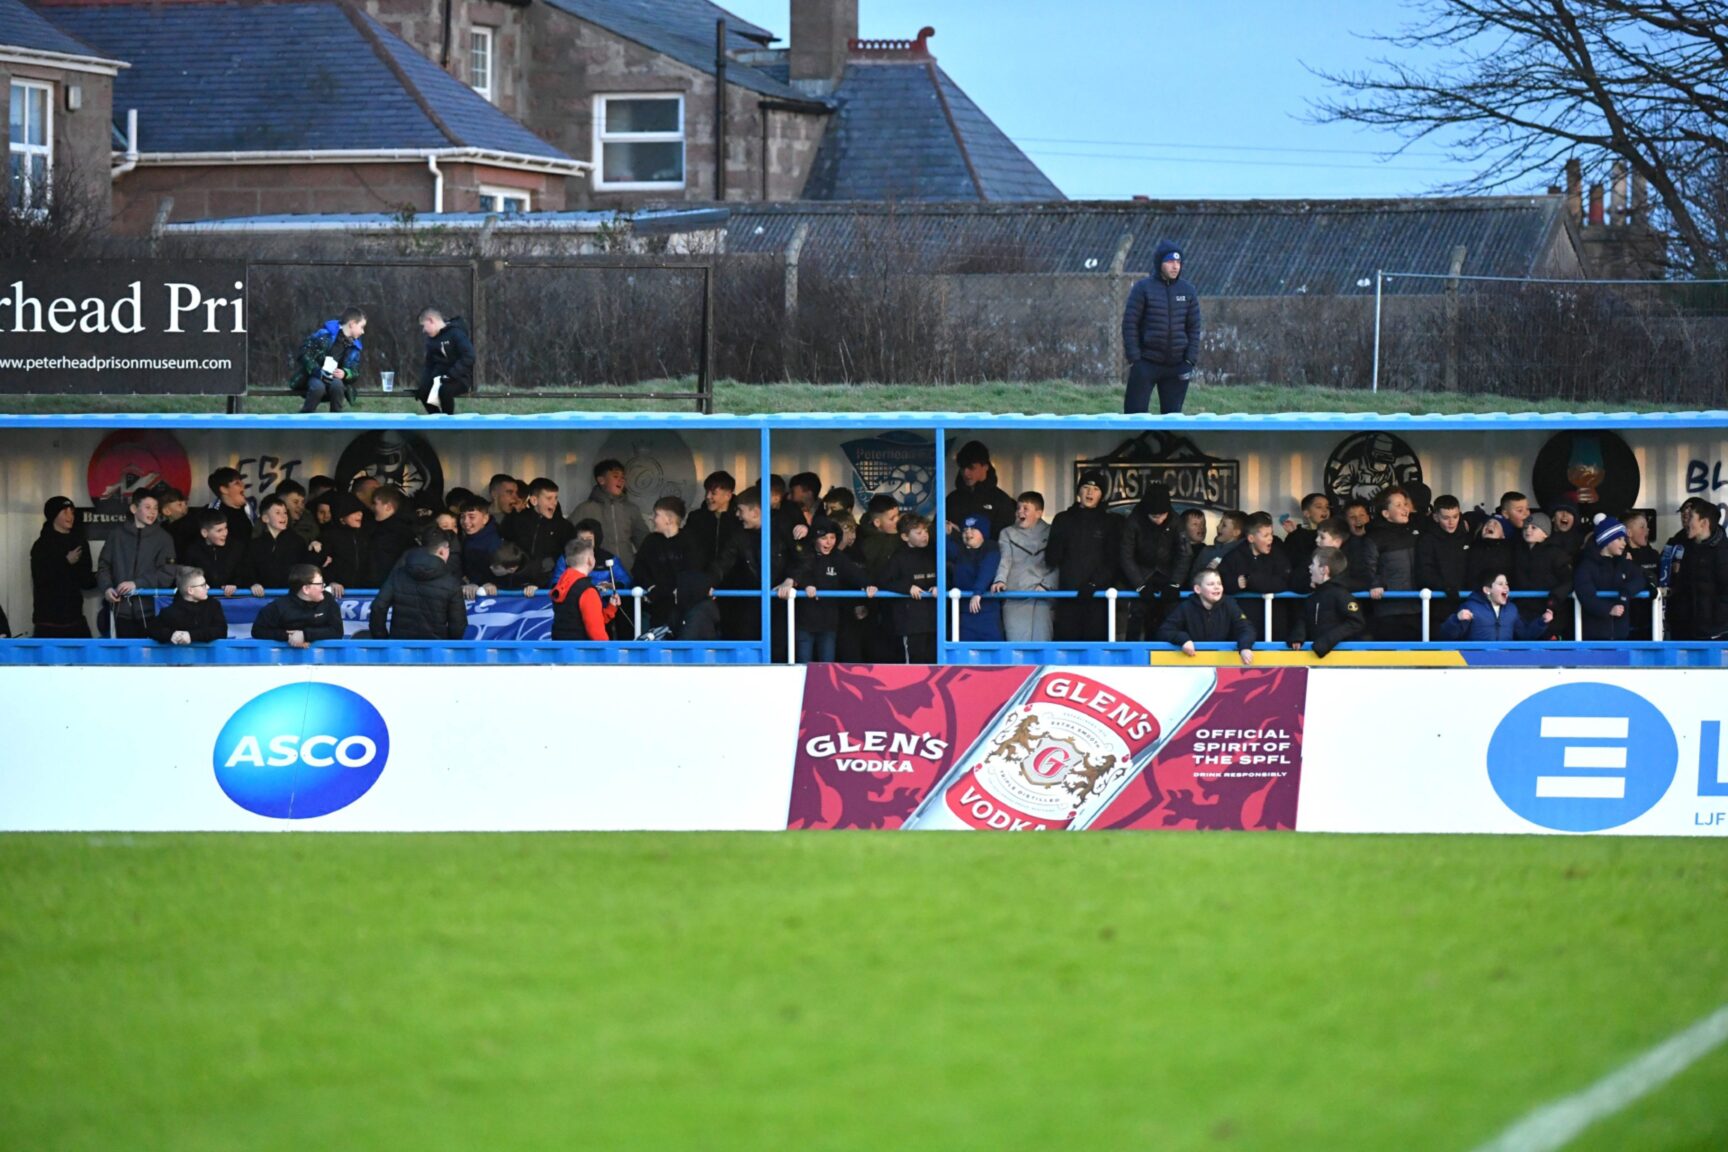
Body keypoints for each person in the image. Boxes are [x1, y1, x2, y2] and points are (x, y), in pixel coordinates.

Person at [1121, 240, 1202, 414]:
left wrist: (1189, 360)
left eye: (1178, 262)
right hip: (1146, 363)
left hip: (1177, 365)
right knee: (1135, 417)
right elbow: (1130, 324)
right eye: (1170, 262)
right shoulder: (1143, 289)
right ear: (1159, 263)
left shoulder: (1188, 291)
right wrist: (1135, 358)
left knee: (1172, 420)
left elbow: (1194, 328)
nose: (1175, 266)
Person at [779, 517, 873, 663]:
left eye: (832, 537)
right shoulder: (804, 554)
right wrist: (806, 586)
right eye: (823, 538)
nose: (829, 542)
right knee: (804, 664)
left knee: (827, 665)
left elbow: (855, 573)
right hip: (804, 622)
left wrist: (868, 585)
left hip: (828, 622)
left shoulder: (838, 557)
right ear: (814, 539)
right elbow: (797, 571)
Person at [1047, 470, 1119, 641]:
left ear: (1102, 494)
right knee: (1066, 649)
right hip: (1067, 597)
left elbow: (1113, 560)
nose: (1089, 492)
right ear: (1078, 491)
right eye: (1086, 487)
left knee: (1095, 649)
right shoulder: (1063, 519)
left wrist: (1094, 584)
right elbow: (1051, 558)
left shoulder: (1110, 522)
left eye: (1096, 489)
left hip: (1098, 598)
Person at [96, 488, 178, 638]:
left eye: (155, 508)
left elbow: (167, 574)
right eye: (147, 507)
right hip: (120, 610)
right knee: (122, 658)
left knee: (150, 659)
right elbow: (104, 566)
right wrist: (107, 588)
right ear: (134, 508)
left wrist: (137, 584)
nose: (152, 512)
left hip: (152, 611)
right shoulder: (116, 535)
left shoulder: (164, 538)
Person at [632, 496, 718, 639]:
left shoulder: (691, 541)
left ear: (669, 519)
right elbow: (639, 569)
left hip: (684, 610)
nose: (652, 519)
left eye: (656, 515)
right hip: (658, 610)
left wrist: (663, 591)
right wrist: (651, 587)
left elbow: (694, 573)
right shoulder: (650, 541)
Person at [1117, 482, 1191, 640]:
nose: (1158, 520)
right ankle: (1133, 657)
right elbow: (1126, 555)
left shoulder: (1175, 521)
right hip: (1141, 575)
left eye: (1162, 515)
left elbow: (1184, 554)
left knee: (1171, 616)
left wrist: (1175, 583)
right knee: (1137, 614)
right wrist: (1140, 585)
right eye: (1154, 516)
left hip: (1167, 576)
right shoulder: (1134, 521)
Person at [369, 530, 467, 640]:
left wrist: (382, 639)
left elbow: (378, 607)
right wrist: (447, 646)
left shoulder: (398, 575)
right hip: (436, 650)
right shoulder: (451, 583)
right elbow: (458, 625)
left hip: (399, 648)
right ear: (442, 551)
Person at [1155, 567, 1256, 664]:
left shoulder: (1229, 605)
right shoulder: (1186, 607)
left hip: (1222, 662)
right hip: (1192, 661)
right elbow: (1164, 631)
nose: (1217, 587)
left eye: (1219, 583)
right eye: (1211, 584)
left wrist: (1245, 647)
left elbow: (1246, 628)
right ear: (1198, 589)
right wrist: (1183, 640)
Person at [1571, 514, 1647, 642]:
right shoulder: (1587, 565)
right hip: (1594, 635)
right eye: (1620, 539)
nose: (1624, 543)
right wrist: (1607, 609)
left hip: (1620, 634)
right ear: (1606, 541)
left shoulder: (1623, 563)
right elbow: (1585, 594)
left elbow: (1640, 578)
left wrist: (1625, 592)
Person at [1220, 512, 1293, 641]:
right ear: (1251, 538)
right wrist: (1236, 583)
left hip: (1275, 624)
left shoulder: (1278, 555)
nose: (1270, 538)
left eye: (1271, 534)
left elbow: (1285, 581)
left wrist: (1250, 580)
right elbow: (1220, 582)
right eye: (1265, 535)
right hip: (1244, 625)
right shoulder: (1233, 557)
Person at [31, 496, 95, 638]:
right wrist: (65, 562)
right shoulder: (42, 545)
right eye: (64, 511)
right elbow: (41, 578)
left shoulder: (79, 542)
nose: (70, 516)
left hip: (75, 618)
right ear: (53, 515)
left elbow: (86, 581)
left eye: (71, 511)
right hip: (47, 621)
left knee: (86, 659)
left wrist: (105, 577)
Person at [994, 491, 1054, 643]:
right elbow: (1005, 560)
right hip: (1015, 596)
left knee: (1043, 647)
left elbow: (1059, 563)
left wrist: (1047, 585)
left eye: (1025, 508)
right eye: (1018, 508)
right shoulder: (1007, 533)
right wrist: (1000, 580)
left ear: (1039, 513)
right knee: (1017, 649)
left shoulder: (1053, 532)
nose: (1020, 512)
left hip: (1042, 597)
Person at [1288, 547, 1368, 657]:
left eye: (1313, 564)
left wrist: (1327, 642)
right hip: (1315, 655)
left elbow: (1356, 622)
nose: (1310, 568)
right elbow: (1304, 618)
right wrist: (1298, 637)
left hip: (1339, 657)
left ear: (1324, 570)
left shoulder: (1341, 594)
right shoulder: (1313, 597)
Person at [1666, 500, 1728, 640]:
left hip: (1714, 631)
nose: (1686, 522)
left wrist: (1717, 620)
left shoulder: (1723, 551)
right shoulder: (1682, 544)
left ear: (1704, 523)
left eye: (1691, 518)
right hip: (1684, 627)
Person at [570, 459, 649, 570]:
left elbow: (644, 543)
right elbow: (569, 541)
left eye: (623, 477)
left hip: (628, 572)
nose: (621, 481)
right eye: (616, 476)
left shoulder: (631, 509)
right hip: (596, 573)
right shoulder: (585, 509)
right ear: (601, 480)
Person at [1366, 486, 1422, 641]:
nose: (1405, 509)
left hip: (1417, 606)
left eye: (1405, 504)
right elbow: (1368, 566)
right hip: (1389, 608)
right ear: (1385, 513)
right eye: (1398, 506)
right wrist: (1375, 584)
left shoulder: (1415, 532)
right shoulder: (1375, 537)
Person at [881, 513, 938, 663]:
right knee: (915, 663)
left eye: (925, 531)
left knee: (935, 662)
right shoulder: (898, 557)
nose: (924, 535)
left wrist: (939, 586)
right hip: (911, 623)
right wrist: (907, 587)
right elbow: (884, 581)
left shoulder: (934, 552)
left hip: (935, 620)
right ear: (905, 537)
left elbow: (949, 575)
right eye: (919, 533)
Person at [290, 307, 365, 413]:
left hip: (335, 379)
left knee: (338, 386)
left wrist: (345, 373)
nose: (363, 331)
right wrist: (316, 371)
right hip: (315, 375)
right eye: (361, 327)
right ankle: (304, 418)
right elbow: (303, 353)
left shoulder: (355, 347)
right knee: (317, 387)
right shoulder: (324, 335)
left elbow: (355, 371)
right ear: (352, 324)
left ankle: (336, 421)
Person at [1439, 571, 1553, 641]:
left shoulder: (1512, 609)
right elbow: (1447, 635)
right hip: (1476, 664)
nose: (1506, 587)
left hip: (1505, 662)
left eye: (1506, 584)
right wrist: (1456, 619)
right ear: (1487, 590)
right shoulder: (1470, 607)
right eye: (1500, 584)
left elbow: (1525, 635)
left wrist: (1542, 622)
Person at [1417, 495, 1473, 633]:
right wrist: (1445, 588)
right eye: (1446, 518)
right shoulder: (1427, 540)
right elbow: (1424, 571)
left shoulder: (1467, 538)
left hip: (1466, 602)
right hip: (1437, 606)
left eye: (1455, 516)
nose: (1451, 522)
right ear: (1436, 517)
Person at [252, 564, 344, 647]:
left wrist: (305, 635)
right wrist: (287, 636)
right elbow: (257, 631)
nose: (323, 587)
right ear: (306, 589)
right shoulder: (279, 606)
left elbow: (337, 631)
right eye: (320, 584)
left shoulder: (328, 601)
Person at [1513, 513, 1571, 639]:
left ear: (1546, 533)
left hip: (1548, 613)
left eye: (1534, 527)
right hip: (1521, 613)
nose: (1528, 530)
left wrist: (1553, 601)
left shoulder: (1556, 553)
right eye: (1525, 527)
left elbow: (1568, 580)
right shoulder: (1517, 552)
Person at [550, 539, 621, 641]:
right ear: (590, 560)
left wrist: (611, 608)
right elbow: (597, 633)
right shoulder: (587, 590)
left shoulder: (561, 584)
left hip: (560, 649)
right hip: (582, 653)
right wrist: (608, 653)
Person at [949, 515, 1003, 643]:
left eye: (973, 529)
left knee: (992, 657)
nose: (968, 533)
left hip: (987, 613)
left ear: (983, 532)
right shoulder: (959, 550)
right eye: (964, 530)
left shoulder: (991, 547)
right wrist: (946, 531)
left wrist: (977, 592)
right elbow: (942, 547)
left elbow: (987, 569)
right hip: (962, 614)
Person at [946, 440, 1015, 539]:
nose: (965, 473)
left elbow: (1006, 541)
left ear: (985, 467)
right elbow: (937, 533)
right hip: (955, 554)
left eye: (971, 467)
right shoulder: (952, 499)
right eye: (962, 468)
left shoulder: (1001, 500)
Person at [248, 495, 314, 590]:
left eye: (285, 513)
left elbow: (304, 569)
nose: (283, 516)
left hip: (291, 596)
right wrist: (253, 583)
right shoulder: (255, 545)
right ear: (265, 518)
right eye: (277, 513)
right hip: (263, 597)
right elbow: (249, 570)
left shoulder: (297, 542)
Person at [148, 567, 229, 645]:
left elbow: (221, 631)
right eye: (203, 585)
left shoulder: (213, 605)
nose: (208, 587)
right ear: (190, 590)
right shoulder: (170, 612)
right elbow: (152, 630)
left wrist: (191, 636)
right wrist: (171, 635)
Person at [417, 307, 474, 414]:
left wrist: (452, 374)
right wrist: (424, 383)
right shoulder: (431, 341)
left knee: (444, 391)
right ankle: (436, 420)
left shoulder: (456, 333)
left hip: (459, 377)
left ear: (431, 320)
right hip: (439, 377)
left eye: (424, 326)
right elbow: (429, 364)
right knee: (423, 392)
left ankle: (448, 423)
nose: (423, 330)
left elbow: (469, 356)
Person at [683, 471, 739, 571]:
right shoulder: (696, 518)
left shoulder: (740, 519)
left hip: (734, 580)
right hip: (703, 578)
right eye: (707, 492)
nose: (708, 496)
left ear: (728, 496)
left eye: (713, 493)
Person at [316, 494, 369, 595]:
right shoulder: (328, 536)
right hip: (335, 594)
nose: (360, 514)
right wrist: (330, 582)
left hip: (361, 595)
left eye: (360, 511)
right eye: (354, 511)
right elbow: (316, 566)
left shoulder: (363, 536)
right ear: (341, 517)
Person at [367, 485, 419, 582]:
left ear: (388, 507)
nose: (372, 507)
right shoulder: (407, 529)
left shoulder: (392, 532)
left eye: (375, 503)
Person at [1282, 492, 1330, 573]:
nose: (1325, 510)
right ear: (1306, 513)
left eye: (1327, 507)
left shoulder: (1334, 533)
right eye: (1319, 507)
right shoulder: (1296, 537)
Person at [206, 467, 256, 544]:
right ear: (224, 489)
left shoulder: (248, 509)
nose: (243, 485)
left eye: (241, 481)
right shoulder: (213, 515)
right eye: (237, 483)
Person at [1190, 510, 1245, 578]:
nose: (1218, 527)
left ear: (1236, 532)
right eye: (1220, 523)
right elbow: (1193, 578)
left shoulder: (1242, 555)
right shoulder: (1207, 551)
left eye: (1224, 525)